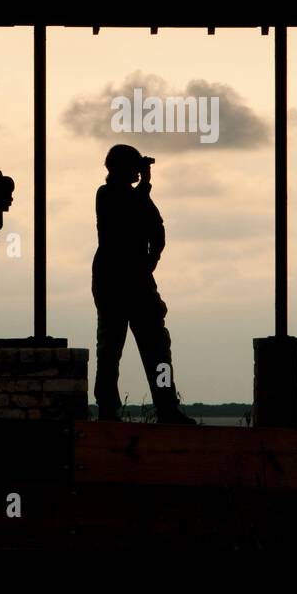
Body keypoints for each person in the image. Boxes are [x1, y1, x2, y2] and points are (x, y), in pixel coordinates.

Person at [91, 144, 196, 425]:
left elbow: (157, 229)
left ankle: (166, 407)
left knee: (157, 349)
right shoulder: (108, 195)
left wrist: (152, 259)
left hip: (135, 281)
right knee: (110, 348)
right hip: (116, 281)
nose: (139, 173)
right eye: (135, 167)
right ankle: (108, 409)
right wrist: (146, 186)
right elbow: (129, 211)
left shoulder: (138, 197)